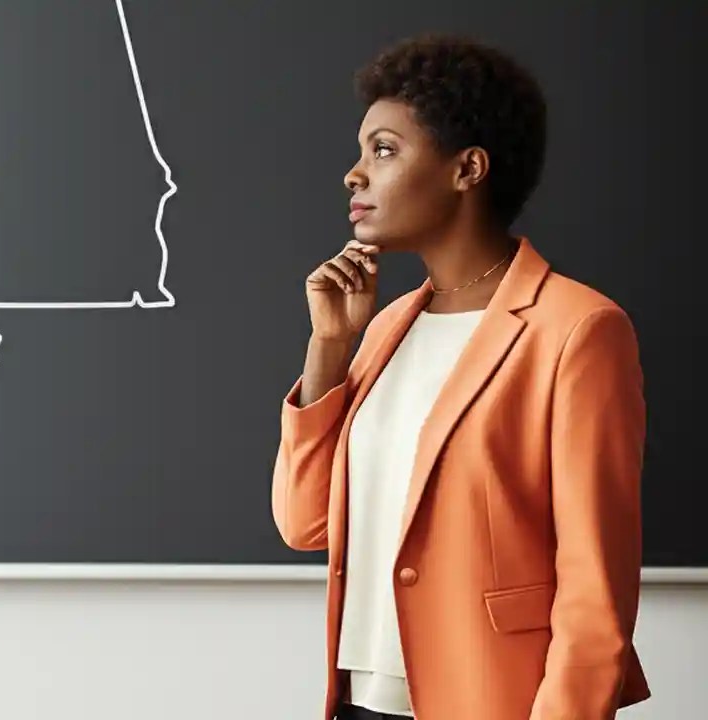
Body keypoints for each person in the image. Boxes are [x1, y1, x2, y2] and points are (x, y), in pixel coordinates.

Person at [272, 33, 651, 719]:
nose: (354, 175)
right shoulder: (385, 330)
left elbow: (596, 583)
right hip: (358, 701)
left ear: (467, 168)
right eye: (361, 153)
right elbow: (304, 525)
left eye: (383, 150)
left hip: (490, 701)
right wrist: (329, 347)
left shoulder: (578, 330)